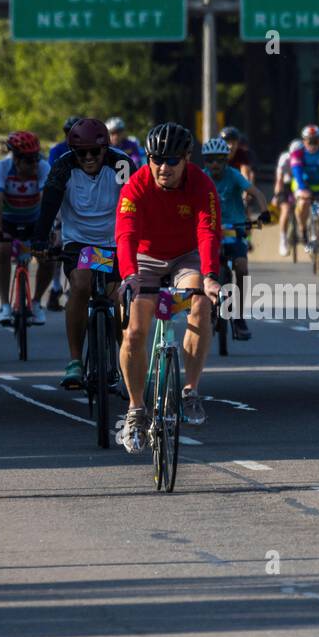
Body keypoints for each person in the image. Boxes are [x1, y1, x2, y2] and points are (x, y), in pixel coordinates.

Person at [115, 122, 222, 451]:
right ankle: (136, 408)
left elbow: (208, 231)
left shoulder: (202, 184)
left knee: (200, 303)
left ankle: (190, 390)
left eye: (172, 160)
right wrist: (129, 275)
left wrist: (210, 276)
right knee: (134, 331)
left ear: (187, 159)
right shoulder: (135, 186)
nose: (164, 167)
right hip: (144, 259)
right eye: (156, 159)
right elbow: (126, 234)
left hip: (185, 257)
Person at [33, 117, 132, 388]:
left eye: (94, 152)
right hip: (79, 242)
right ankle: (75, 360)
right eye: (81, 153)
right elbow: (49, 206)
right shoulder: (63, 166)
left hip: (115, 241)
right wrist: (40, 240)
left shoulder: (121, 164)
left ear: (106, 149)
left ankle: (127, 362)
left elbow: (135, 201)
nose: (88, 158)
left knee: (117, 300)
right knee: (80, 283)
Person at [202, 136, 268, 341]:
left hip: (235, 228)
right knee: (202, 269)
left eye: (219, 160)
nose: (215, 164)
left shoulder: (234, 175)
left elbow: (256, 192)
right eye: (210, 160)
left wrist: (264, 212)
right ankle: (205, 309)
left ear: (226, 161)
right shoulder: (201, 178)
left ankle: (238, 315)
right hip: (210, 230)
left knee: (241, 266)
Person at [0, 131, 54, 326]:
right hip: (9, 222)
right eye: (28, 161)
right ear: (16, 159)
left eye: (36, 159)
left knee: (48, 256)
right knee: (2, 249)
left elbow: (46, 201)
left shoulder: (43, 167)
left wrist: (47, 230)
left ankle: (36, 303)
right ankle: (5, 306)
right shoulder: (2, 168)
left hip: (34, 221)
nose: (34, 165)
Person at [289, 124, 319, 259]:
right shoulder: (297, 153)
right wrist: (303, 189)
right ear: (304, 141)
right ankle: (303, 229)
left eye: (316, 141)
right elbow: (297, 172)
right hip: (303, 185)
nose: (313, 145)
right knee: (303, 204)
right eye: (310, 141)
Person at [274, 139, 302, 256]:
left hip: (299, 183)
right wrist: (276, 195)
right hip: (286, 184)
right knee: (285, 210)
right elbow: (279, 179)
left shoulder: (306, 158)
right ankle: (283, 239)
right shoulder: (284, 159)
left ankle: (305, 230)